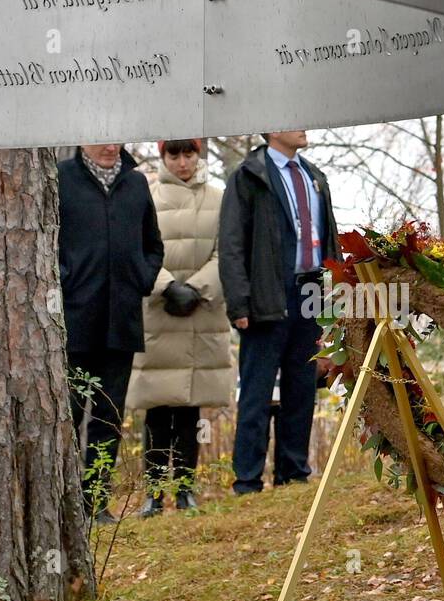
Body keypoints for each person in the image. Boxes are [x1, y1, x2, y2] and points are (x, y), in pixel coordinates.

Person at [218, 130, 337, 495]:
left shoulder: (314, 177)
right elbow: (232, 243)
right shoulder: (249, 175)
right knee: (256, 391)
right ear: (271, 128)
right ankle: (248, 481)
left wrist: (335, 305)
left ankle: (293, 474)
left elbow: (330, 241)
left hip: (310, 293)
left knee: (302, 387)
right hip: (266, 296)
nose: (304, 127)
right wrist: (239, 303)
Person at [58, 143, 164, 524]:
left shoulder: (135, 183)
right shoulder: (61, 178)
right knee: (65, 416)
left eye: (115, 138)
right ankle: (62, 505)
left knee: (108, 417)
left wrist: (142, 279)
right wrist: (64, 281)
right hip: (72, 322)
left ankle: (96, 503)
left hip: (122, 322)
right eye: (99, 137)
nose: (107, 146)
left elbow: (154, 245)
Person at [127, 139, 232, 516]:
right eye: (175, 154)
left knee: (190, 406)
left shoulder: (219, 197)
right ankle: (153, 492)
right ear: (163, 156)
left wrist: (197, 289)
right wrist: (167, 286)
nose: (183, 162)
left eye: (189, 153)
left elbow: (227, 251)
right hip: (157, 308)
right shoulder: (146, 194)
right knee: (156, 406)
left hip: (201, 310)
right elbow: (136, 248)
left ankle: (186, 488)